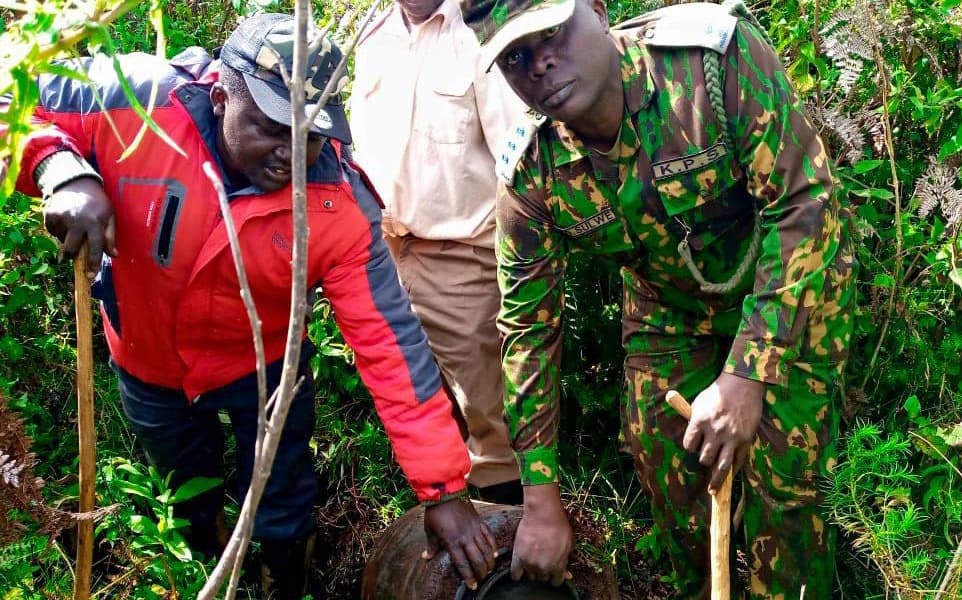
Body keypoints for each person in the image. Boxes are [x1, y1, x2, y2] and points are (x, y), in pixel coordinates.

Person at [6, 13, 498, 599]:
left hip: (263, 368)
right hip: (147, 363)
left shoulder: (337, 204)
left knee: (284, 498)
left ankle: (287, 577)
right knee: (185, 489)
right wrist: (61, 170)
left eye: (311, 133)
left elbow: (392, 348)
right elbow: (14, 92)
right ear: (219, 96)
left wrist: (442, 490)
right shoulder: (136, 101)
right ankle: (208, 568)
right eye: (273, 127)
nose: (292, 152)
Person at [460, 0, 856, 597]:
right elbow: (527, 332)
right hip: (669, 311)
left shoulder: (708, 64)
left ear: (596, 9)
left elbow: (803, 205)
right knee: (666, 466)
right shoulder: (531, 172)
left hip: (787, 287)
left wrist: (747, 374)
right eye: (514, 57)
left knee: (788, 490)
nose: (539, 63)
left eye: (551, 34)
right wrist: (539, 500)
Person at [350, 0, 527, 505]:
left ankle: (502, 527)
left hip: (464, 253)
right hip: (383, 248)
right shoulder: (373, 32)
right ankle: (441, 516)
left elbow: (517, 159)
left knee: (486, 413)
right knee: (412, 392)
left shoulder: (480, 31)